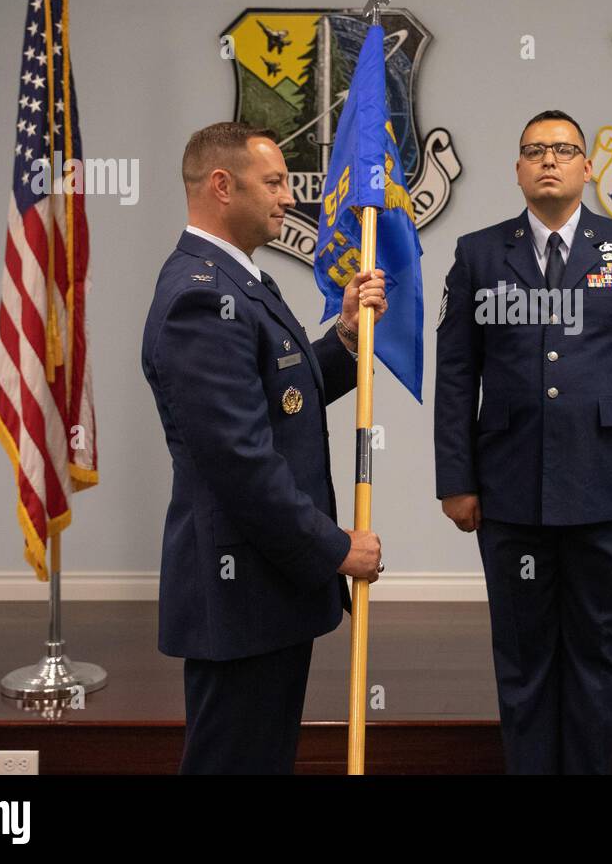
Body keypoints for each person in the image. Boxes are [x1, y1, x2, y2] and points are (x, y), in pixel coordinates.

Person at [434, 110, 612, 774]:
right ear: (518, 168)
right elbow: (457, 374)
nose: (550, 159)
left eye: (564, 149)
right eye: (536, 150)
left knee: (597, 652)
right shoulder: (479, 254)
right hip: (509, 491)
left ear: (588, 166)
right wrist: (455, 479)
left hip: (607, 488)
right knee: (521, 657)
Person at [142, 122, 386, 774]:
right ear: (223, 185)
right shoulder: (201, 297)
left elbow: (284, 397)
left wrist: (345, 339)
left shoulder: (232, 281)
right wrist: (336, 548)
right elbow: (241, 465)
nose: (288, 197)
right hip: (241, 590)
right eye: (274, 181)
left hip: (264, 593)